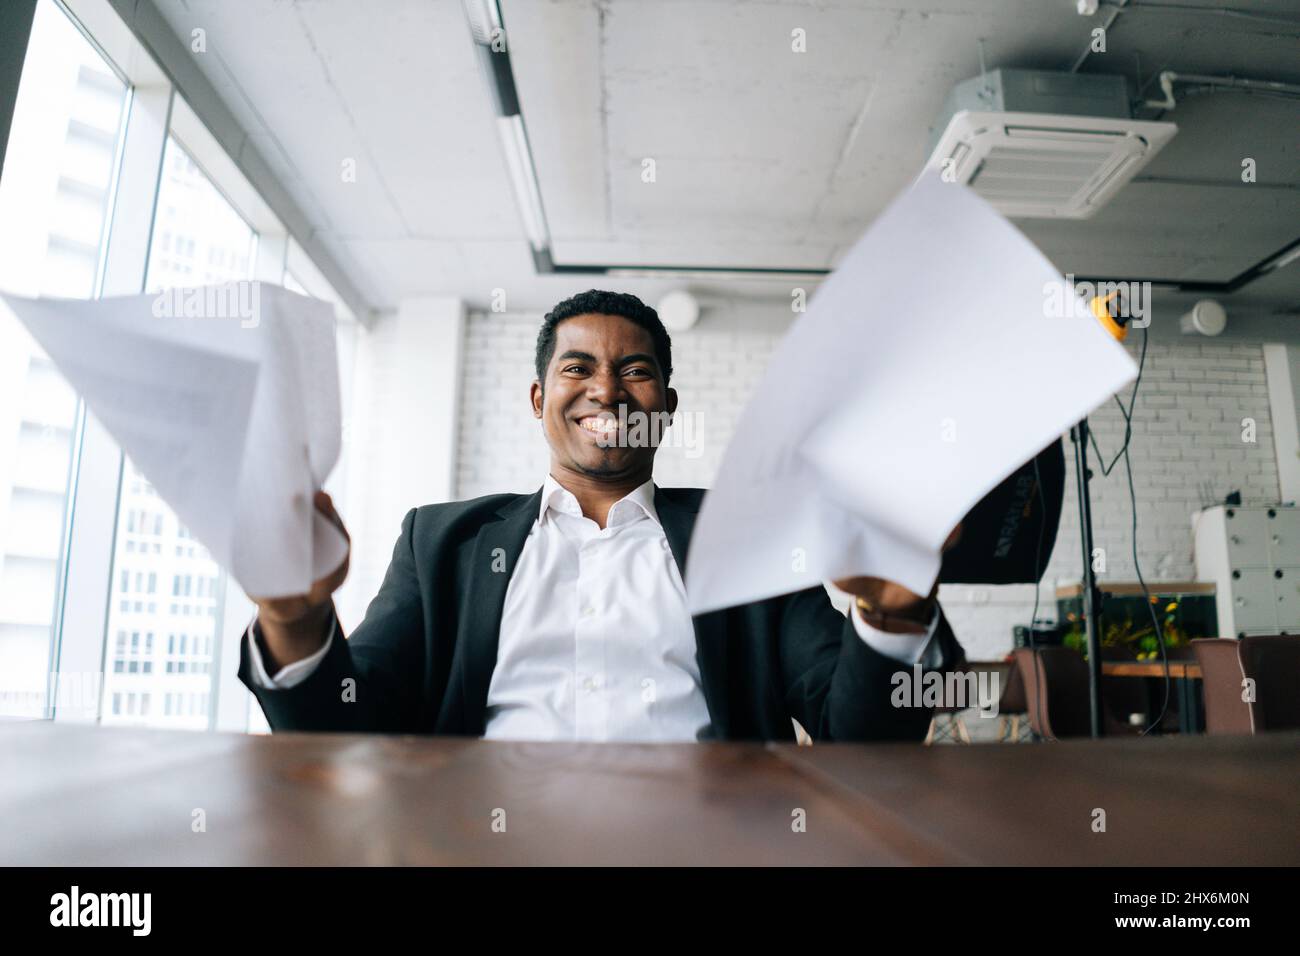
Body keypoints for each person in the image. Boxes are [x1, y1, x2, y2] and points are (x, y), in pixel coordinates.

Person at [240, 289, 964, 742]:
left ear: (668, 407)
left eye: (637, 371)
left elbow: (860, 736)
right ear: (537, 399)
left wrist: (893, 617)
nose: (608, 392)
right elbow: (350, 726)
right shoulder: (441, 543)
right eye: (577, 368)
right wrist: (294, 623)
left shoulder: (752, 539)